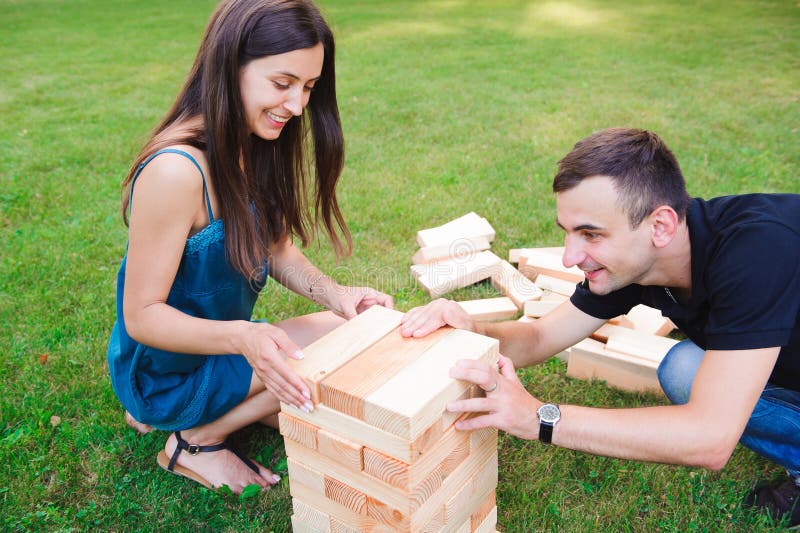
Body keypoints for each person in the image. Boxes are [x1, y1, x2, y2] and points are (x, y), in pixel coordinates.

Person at [400, 128, 800, 526]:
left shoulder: (757, 252)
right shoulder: (640, 259)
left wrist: (538, 417)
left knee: (694, 383)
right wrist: (473, 330)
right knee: (682, 369)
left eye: (591, 234)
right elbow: (540, 336)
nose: (571, 257)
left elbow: (709, 438)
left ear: (660, 226)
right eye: (568, 233)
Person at [106, 0, 392, 494]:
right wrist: (244, 338)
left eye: (308, 87)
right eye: (282, 83)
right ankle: (196, 440)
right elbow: (142, 317)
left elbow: (275, 247)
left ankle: (234, 402)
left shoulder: (253, 141)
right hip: (165, 376)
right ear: (229, 66)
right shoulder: (175, 171)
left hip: (226, 349)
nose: (297, 106)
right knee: (319, 371)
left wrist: (336, 295)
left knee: (359, 331)